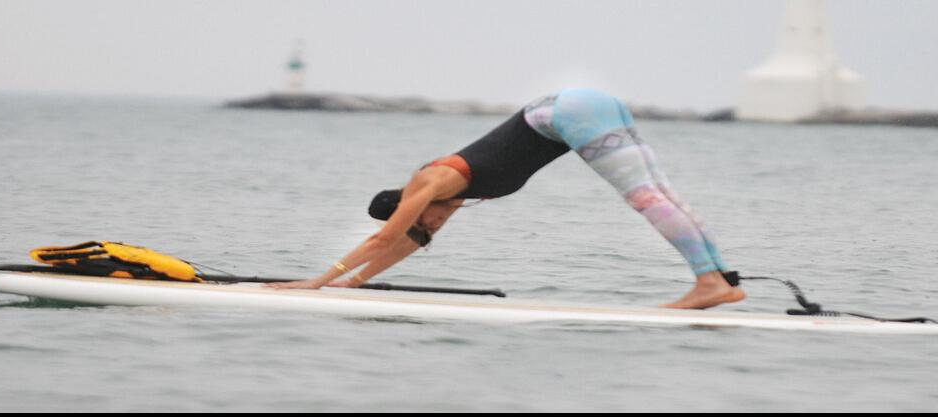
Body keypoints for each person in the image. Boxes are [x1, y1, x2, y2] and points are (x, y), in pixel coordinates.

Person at [268, 88, 746, 310]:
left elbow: (385, 238)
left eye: (422, 222)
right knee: (659, 195)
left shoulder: (428, 184)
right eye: (428, 230)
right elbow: (402, 244)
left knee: (646, 198)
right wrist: (352, 286)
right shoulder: (448, 199)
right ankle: (720, 279)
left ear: (404, 202)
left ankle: (708, 283)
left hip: (564, 113)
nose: (429, 227)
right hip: (578, 106)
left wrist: (316, 282)